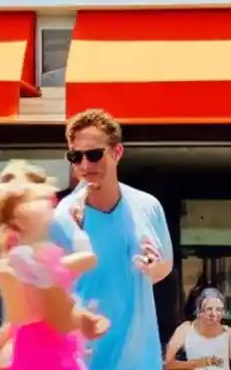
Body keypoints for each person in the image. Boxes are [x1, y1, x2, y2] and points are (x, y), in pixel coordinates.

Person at [52, 109, 174, 370]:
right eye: (76, 157)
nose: (85, 166)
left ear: (117, 153)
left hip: (140, 358)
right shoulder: (64, 214)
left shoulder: (148, 207)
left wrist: (154, 267)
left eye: (95, 155)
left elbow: (165, 267)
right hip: (84, 358)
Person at [0, 158, 109, 370]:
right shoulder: (18, 263)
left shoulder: (42, 257)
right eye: (41, 198)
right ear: (18, 214)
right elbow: (57, 318)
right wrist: (83, 321)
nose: (50, 204)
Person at [163, 288, 231, 369]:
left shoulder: (227, 332)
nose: (214, 314)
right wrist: (205, 362)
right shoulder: (186, 330)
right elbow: (168, 365)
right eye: (209, 309)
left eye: (218, 310)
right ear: (199, 312)